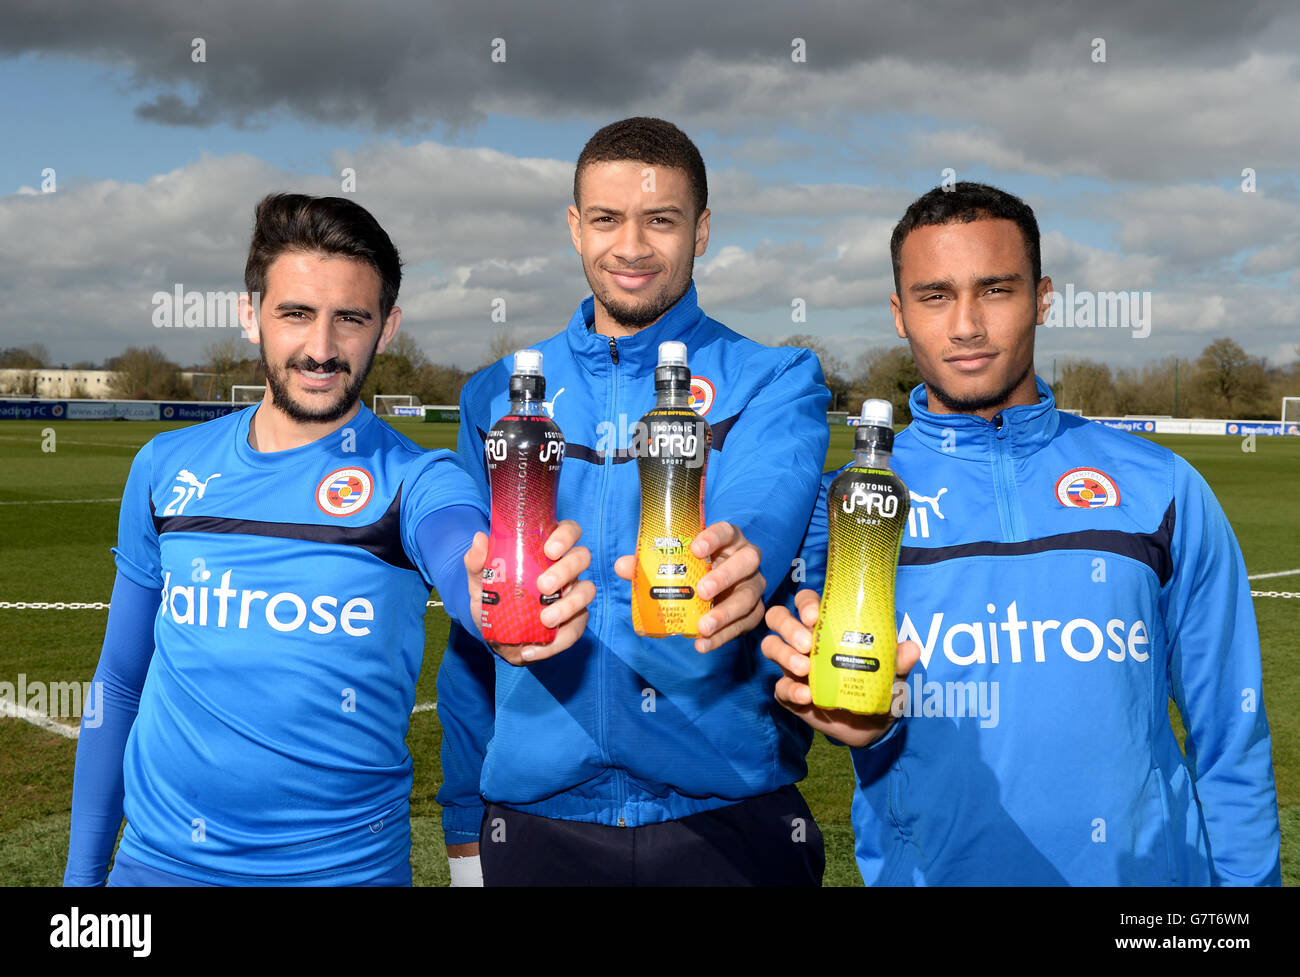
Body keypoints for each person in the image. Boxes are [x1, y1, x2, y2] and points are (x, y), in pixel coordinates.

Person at [63, 193, 592, 886]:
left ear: (388, 327)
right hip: (156, 872)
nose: (320, 347)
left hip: (343, 874)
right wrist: (81, 884)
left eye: (350, 318)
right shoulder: (166, 467)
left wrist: (498, 600)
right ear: (251, 316)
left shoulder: (418, 479)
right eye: (295, 313)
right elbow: (120, 683)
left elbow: (462, 551)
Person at [763, 182, 1281, 885]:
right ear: (899, 311)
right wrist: (862, 727)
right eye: (935, 295)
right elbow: (789, 707)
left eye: (996, 291)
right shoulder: (849, 510)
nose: (967, 324)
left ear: (1041, 297)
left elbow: (1230, 737)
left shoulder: (1162, 487)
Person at [437, 117, 832, 885]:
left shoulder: (775, 378)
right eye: (608, 219)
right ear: (575, 228)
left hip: (728, 818)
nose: (632, 247)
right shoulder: (493, 397)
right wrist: (460, 821)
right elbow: (475, 629)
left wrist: (736, 556)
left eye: (661, 220)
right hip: (539, 822)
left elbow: (769, 501)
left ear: (703, 230)